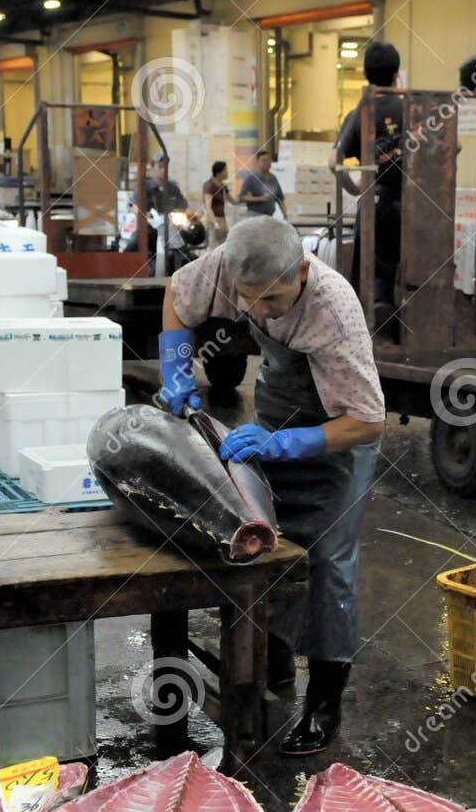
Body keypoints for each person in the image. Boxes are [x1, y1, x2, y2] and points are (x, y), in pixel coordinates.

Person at [160, 217, 385, 756]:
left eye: (275, 300)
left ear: (302, 270)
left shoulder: (334, 310)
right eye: (249, 300)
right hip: (274, 418)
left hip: (336, 441)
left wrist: (285, 444)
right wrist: (175, 369)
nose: (260, 312)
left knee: (327, 562)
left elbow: (368, 421)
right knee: (265, 540)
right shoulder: (226, 266)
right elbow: (178, 296)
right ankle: (275, 662)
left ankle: (324, 703)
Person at [333, 41, 405, 322]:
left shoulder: (360, 113)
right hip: (415, 206)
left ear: (364, 73)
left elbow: (334, 162)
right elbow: (454, 146)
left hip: (376, 206)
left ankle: (377, 319)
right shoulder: (416, 108)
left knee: (374, 278)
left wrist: (357, 190)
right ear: (397, 74)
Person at [236, 150, 287, 219]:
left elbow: (280, 198)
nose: (267, 162)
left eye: (269, 160)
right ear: (257, 162)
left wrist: (285, 214)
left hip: (269, 216)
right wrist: (260, 198)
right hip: (254, 216)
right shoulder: (251, 179)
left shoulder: (273, 178)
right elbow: (242, 197)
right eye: (264, 160)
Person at [201, 160, 236, 247]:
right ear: (218, 173)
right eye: (225, 170)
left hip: (222, 219)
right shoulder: (209, 185)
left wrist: (245, 198)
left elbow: (232, 201)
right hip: (213, 220)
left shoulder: (223, 186)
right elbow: (208, 207)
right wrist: (215, 223)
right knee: (214, 246)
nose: (227, 172)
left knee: (224, 245)